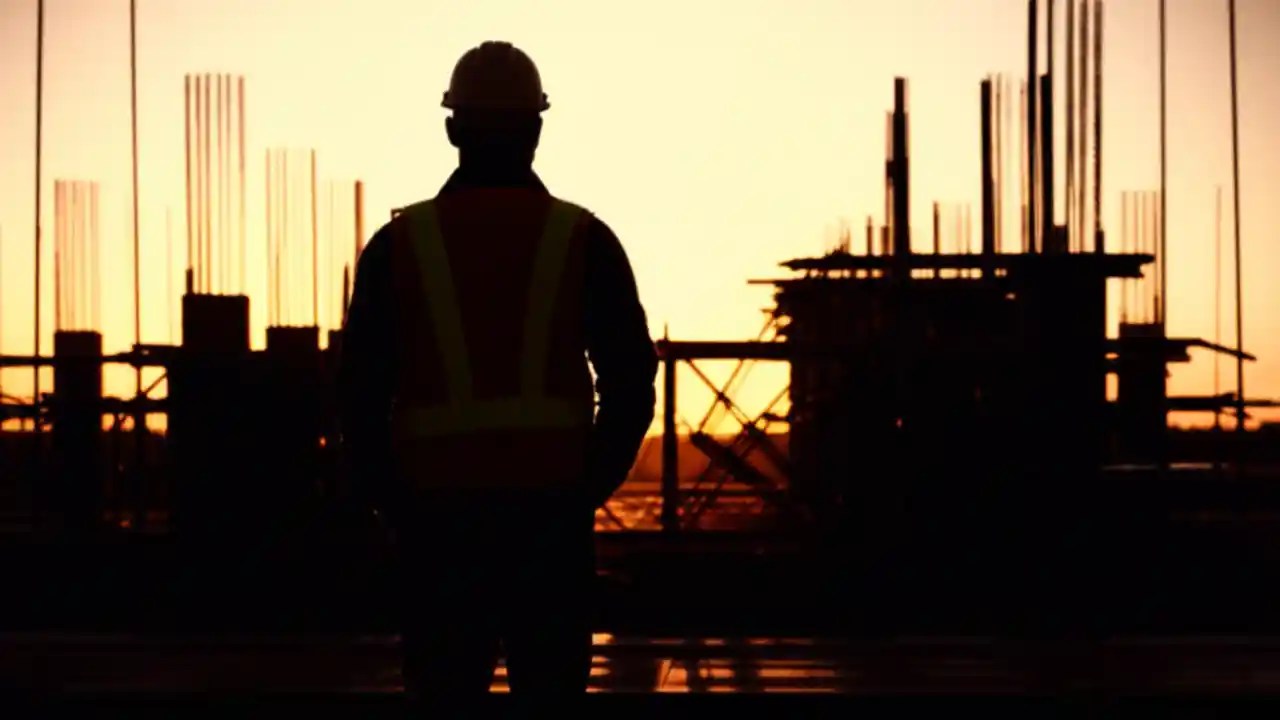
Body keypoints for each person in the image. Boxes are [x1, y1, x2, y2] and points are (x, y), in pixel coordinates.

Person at [337, 40, 658, 711]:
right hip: (549, 534)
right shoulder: (583, 241)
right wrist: (580, 493)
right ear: (537, 129)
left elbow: (357, 402)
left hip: (440, 537)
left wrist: (402, 509)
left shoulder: (399, 248)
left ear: (452, 128)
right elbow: (631, 384)